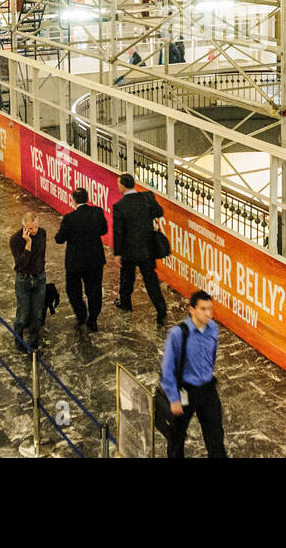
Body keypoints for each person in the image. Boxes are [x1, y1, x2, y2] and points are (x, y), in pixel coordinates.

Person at [159, 290, 226, 458]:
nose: (208, 313)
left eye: (210, 308)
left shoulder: (213, 329)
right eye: (203, 309)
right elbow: (167, 368)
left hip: (207, 388)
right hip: (185, 391)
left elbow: (211, 357)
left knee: (216, 436)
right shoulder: (178, 333)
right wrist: (174, 399)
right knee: (177, 438)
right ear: (192, 310)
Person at [111, 172, 168, 326]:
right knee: (151, 280)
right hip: (147, 249)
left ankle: (125, 303)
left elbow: (118, 232)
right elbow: (159, 212)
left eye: (118, 184)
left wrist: (117, 253)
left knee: (127, 279)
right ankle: (161, 309)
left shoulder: (119, 207)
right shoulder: (147, 198)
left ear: (123, 186)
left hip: (129, 251)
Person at [55, 187, 108, 332]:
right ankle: (93, 320)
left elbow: (59, 239)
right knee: (94, 290)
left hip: (75, 262)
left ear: (73, 200)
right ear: (88, 198)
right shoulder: (97, 212)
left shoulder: (69, 218)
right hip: (95, 260)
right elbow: (104, 230)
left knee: (73, 290)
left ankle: (81, 314)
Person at [10, 212, 48, 352]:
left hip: (39, 278)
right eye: (30, 228)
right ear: (24, 227)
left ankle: (33, 344)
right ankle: (19, 342)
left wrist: (40, 268)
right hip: (23, 279)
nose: (34, 231)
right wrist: (28, 244)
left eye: (36, 227)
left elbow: (41, 255)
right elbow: (20, 265)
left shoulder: (42, 233)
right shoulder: (15, 239)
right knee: (23, 314)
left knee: (37, 314)